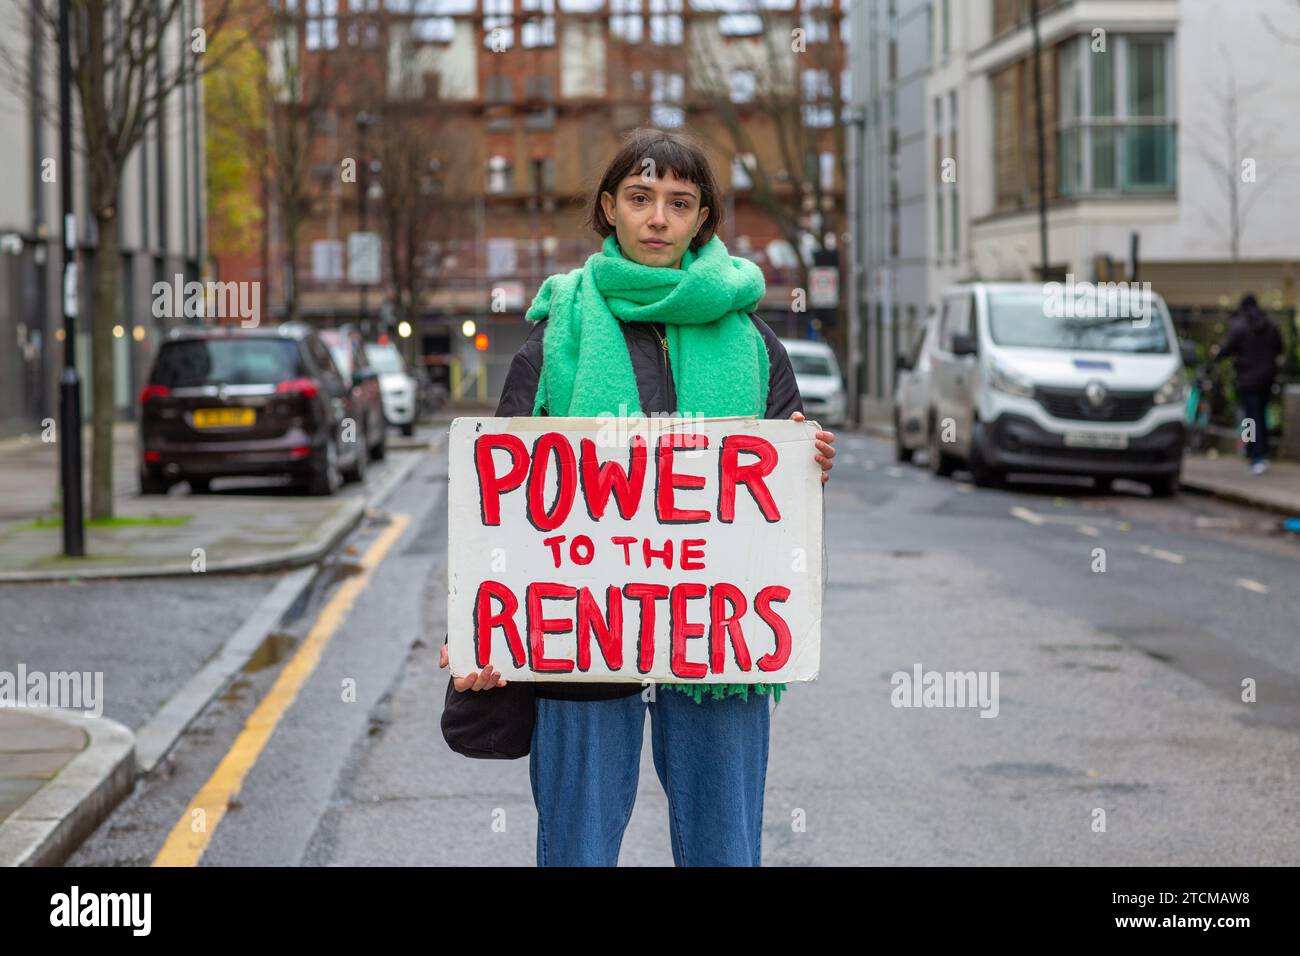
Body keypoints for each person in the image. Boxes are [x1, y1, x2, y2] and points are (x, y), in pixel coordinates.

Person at [439, 128, 835, 866]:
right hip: (579, 641)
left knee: (725, 849)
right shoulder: (556, 335)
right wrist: (481, 621)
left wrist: (808, 464)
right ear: (609, 209)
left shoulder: (753, 344)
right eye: (641, 198)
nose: (659, 218)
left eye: (680, 203)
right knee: (578, 851)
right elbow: (500, 494)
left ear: (702, 220)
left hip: (719, 642)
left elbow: (780, 519)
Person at [1212, 294, 1284, 474]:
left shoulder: (1240, 326)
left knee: (1251, 418)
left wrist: (1217, 355)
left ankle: (1255, 456)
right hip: (1267, 379)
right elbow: (1280, 349)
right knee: (1260, 416)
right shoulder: (1270, 325)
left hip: (1247, 380)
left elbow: (1225, 350)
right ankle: (1260, 453)